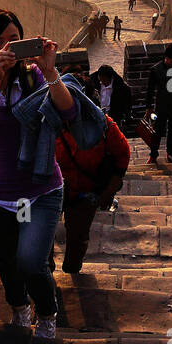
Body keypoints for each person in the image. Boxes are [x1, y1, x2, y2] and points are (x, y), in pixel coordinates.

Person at [0, 9, 77, 339]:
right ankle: (19, 308)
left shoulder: (34, 76)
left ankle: (48, 315)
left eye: (13, 40)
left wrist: (51, 72)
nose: (6, 47)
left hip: (40, 190)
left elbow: (69, 111)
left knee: (31, 261)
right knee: (8, 262)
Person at [56, 112, 130, 273]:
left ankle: (72, 268)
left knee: (77, 235)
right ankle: (44, 271)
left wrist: (109, 191)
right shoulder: (47, 121)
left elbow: (122, 154)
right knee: (41, 232)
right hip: (51, 187)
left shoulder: (102, 125)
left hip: (86, 190)